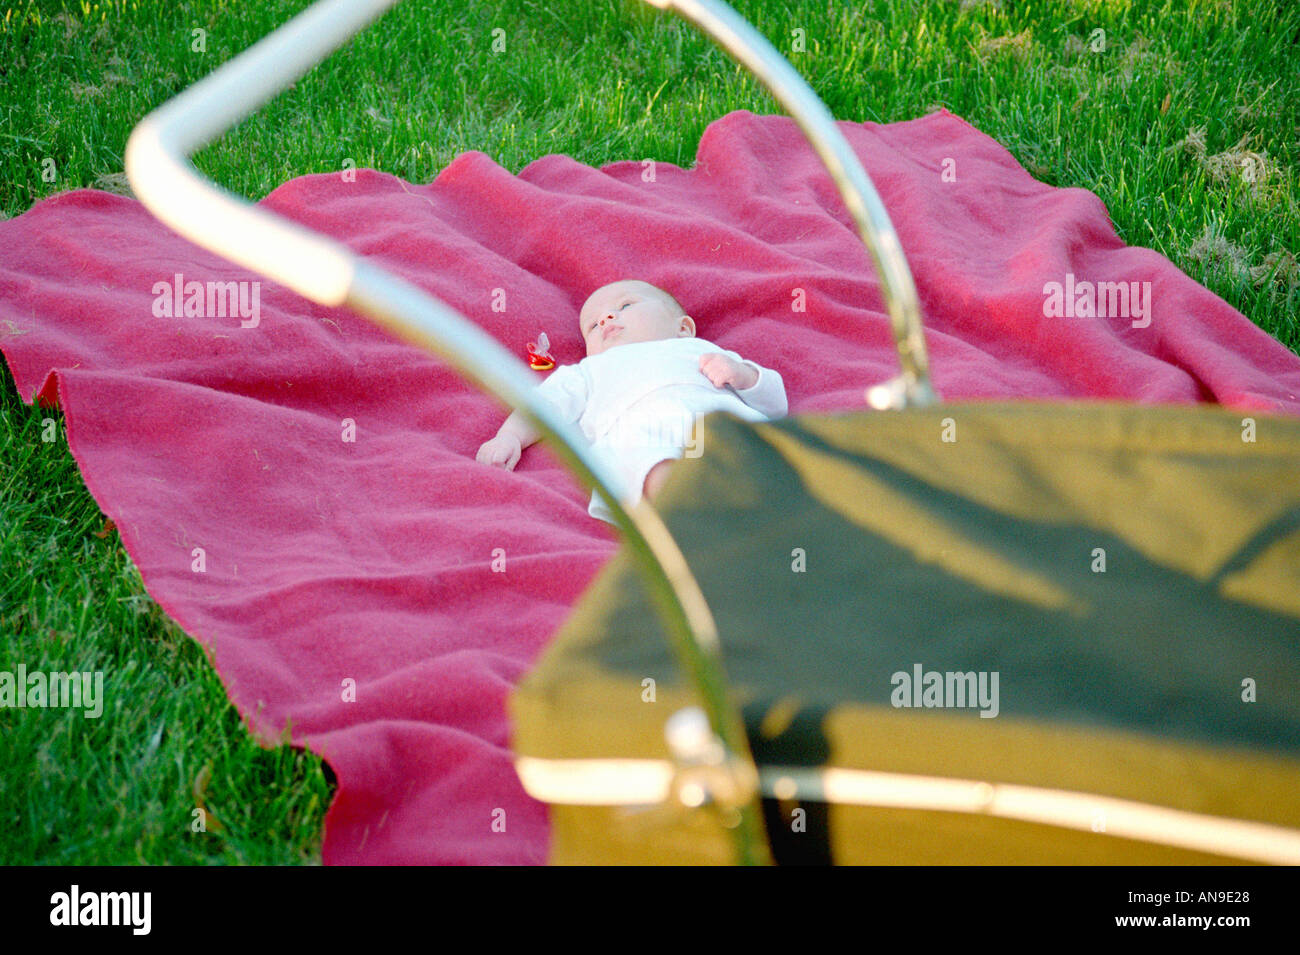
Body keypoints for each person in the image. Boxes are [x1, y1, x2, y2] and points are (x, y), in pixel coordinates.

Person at [476, 279, 787, 523]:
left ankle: (772, 496)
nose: (607, 318)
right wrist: (510, 437)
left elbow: (774, 403)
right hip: (636, 429)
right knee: (642, 455)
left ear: (683, 328)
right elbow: (545, 403)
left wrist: (743, 375)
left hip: (713, 417)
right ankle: (687, 509)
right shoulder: (589, 371)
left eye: (625, 305)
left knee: (755, 441)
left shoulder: (699, 350)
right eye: (593, 326)